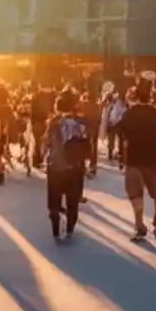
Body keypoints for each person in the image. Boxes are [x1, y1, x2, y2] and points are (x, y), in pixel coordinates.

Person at [113, 85, 156, 241]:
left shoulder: (128, 115)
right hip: (154, 159)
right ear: (150, 98)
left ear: (136, 98)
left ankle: (139, 224)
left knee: (135, 193)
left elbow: (121, 136)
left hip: (133, 158)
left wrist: (120, 156)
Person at [45, 92, 90, 240]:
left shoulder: (53, 123)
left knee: (54, 202)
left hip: (55, 166)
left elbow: (46, 143)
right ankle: (70, 230)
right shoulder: (81, 123)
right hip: (76, 167)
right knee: (73, 202)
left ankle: (56, 231)